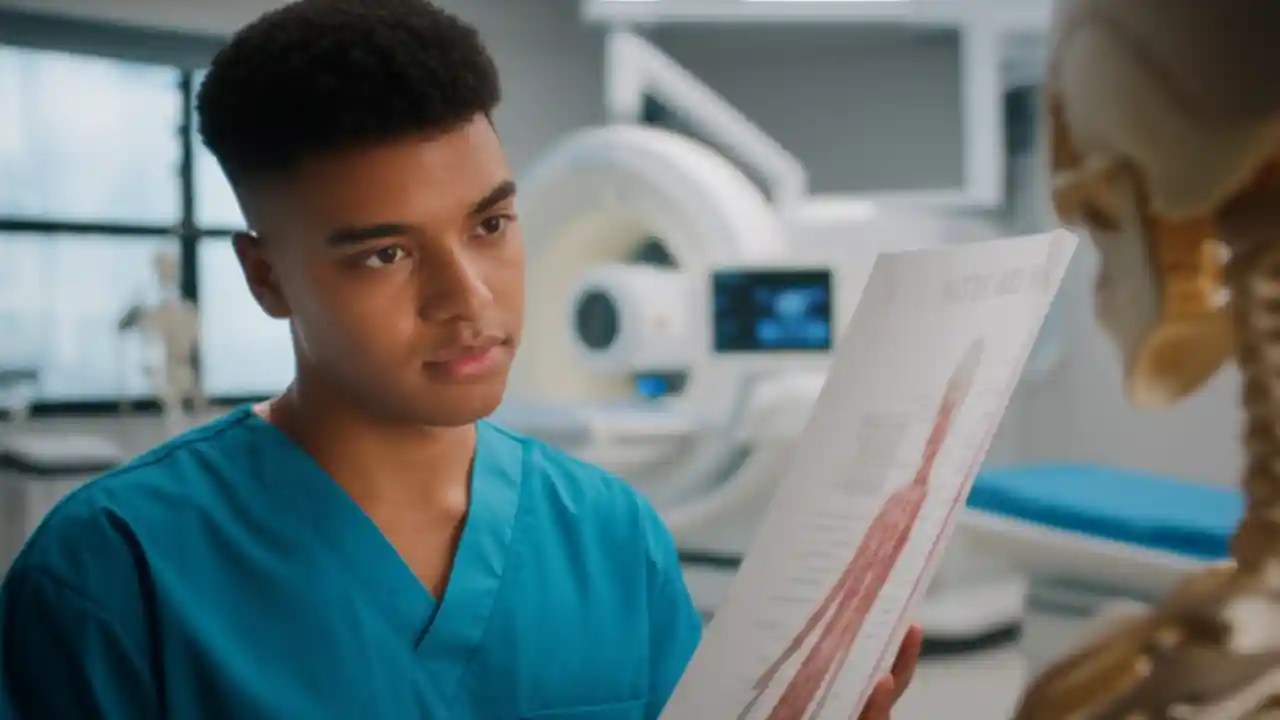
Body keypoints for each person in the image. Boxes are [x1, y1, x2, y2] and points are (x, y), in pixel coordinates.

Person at [0, 1, 920, 718]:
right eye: (385, 254)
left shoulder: (611, 536)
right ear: (266, 276)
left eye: (490, 225)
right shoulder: (113, 576)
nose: (469, 299)